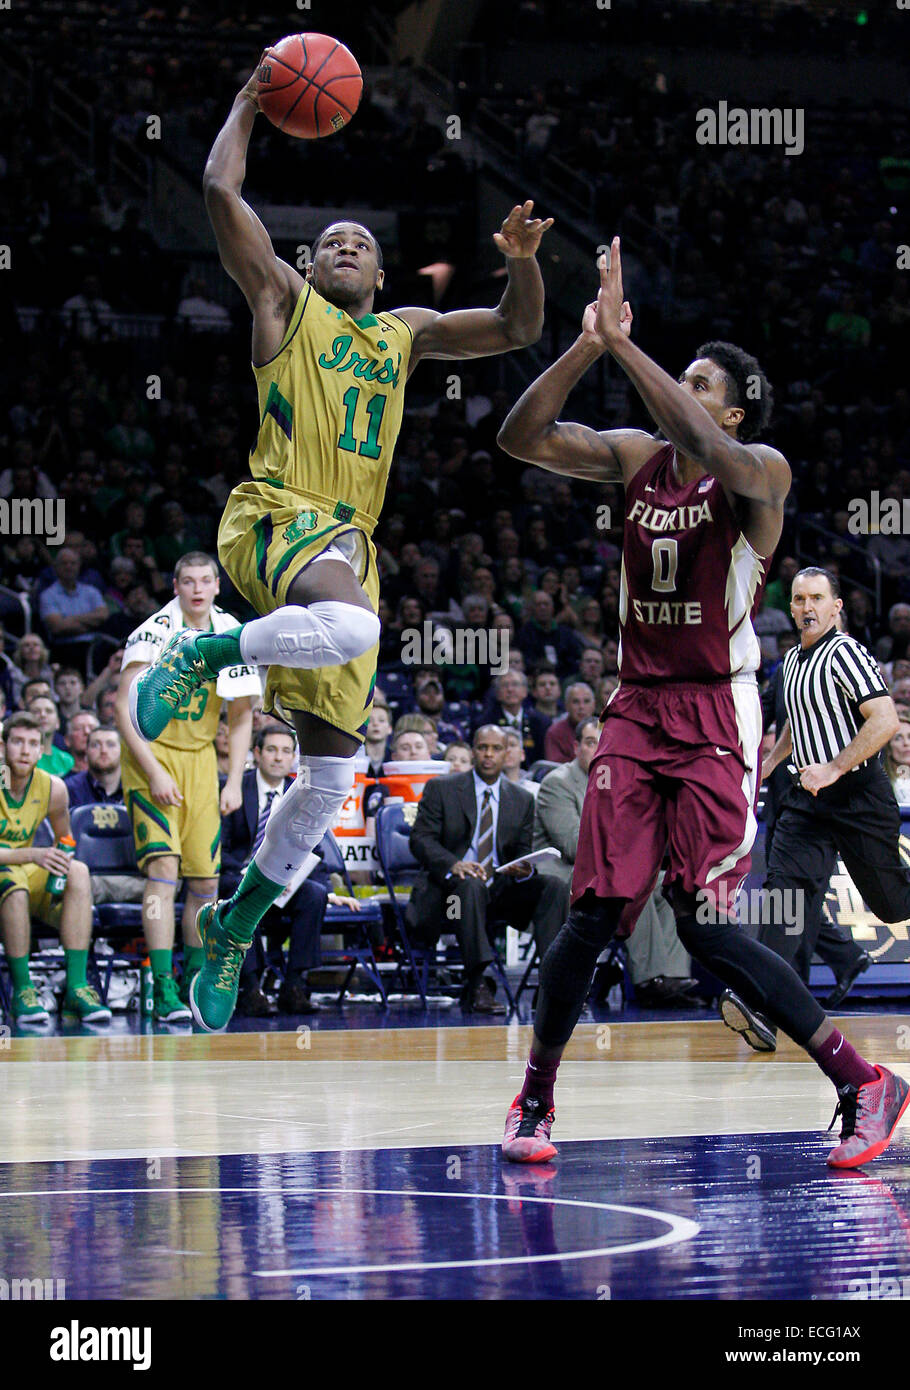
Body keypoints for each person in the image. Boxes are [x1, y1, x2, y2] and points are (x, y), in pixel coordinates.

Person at [127, 54, 553, 1034]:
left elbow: (513, 326)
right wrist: (248, 95)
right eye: (328, 241)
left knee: (327, 781)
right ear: (308, 267)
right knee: (354, 626)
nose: (346, 242)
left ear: (382, 269)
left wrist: (522, 254)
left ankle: (235, 923)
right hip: (277, 508)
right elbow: (217, 188)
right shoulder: (285, 303)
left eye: (361, 238)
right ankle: (205, 653)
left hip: (344, 541)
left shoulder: (403, 332)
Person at [495, 238, 908, 1169]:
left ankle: (863, 1081)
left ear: (733, 404)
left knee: (705, 923)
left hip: (719, 714)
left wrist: (631, 351)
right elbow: (520, 438)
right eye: (675, 376)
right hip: (640, 704)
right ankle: (535, 1099)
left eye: (696, 379)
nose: (676, 389)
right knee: (596, 909)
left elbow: (709, 444)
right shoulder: (639, 457)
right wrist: (589, 346)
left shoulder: (759, 470)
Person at [728, 568, 910, 1049]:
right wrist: (769, 763)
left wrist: (833, 766)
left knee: (893, 905)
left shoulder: (846, 653)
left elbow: (886, 720)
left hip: (857, 796)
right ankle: (761, 1005)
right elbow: (799, 724)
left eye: (817, 599)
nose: (807, 607)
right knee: (786, 896)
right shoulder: (789, 661)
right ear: (789, 607)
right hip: (806, 800)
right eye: (799, 599)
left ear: (836, 608)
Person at [115, 552, 261, 1022]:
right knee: (163, 870)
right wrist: (154, 771)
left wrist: (234, 778)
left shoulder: (231, 629)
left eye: (206, 581)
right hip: (151, 754)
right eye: (188, 581)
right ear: (175, 585)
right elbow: (123, 707)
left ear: (217, 586)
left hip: (201, 760)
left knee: (205, 878)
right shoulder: (154, 630)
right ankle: (160, 985)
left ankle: (195, 978)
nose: (197, 589)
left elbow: (242, 716)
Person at [408, 725, 565, 1014]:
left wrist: (525, 868)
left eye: (496, 748)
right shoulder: (441, 788)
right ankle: (478, 981)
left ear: (508, 753)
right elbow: (420, 839)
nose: (489, 754)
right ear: (473, 750)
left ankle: (552, 985)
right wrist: (453, 864)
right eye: (482, 748)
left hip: (500, 892)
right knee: (470, 885)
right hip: (450, 898)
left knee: (554, 886)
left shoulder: (522, 798)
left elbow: (521, 852)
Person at [0, 712, 111, 1024]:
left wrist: (59, 873)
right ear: (2, 746)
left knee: (78, 872)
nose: (25, 750)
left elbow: (65, 840)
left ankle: (76, 986)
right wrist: (34, 854)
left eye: (33, 744)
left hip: (26, 870)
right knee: (15, 887)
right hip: (9, 875)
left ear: (41, 750)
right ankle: (24, 991)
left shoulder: (53, 788)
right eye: (18, 742)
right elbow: (33, 855)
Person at [220, 726, 330, 1017]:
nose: (278, 758)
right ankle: (251, 988)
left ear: (294, 757)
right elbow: (221, 847)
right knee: (239, 891)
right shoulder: (234, 788)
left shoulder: (303, 793)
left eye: (285, 751)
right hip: (241, 877)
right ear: (256, 753)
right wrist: (254, 877)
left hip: (286, 880)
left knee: (316, 894)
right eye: (271, 750)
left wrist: (289, 876)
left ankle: (294, 985)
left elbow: (315, 849)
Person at [543, 682, 597, 763]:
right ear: (567, 706)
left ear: (594, 705)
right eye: (575, 702)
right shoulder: (555, 733)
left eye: (586, 701)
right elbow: (555, 768)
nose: (581, 707)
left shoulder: (605, 729)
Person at [29, 696, 75, 778]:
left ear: (58, 723)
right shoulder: (21, 757)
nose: (43, 715)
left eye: (49, 711)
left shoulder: (67, 760)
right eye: (36, 711)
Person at [884, 707, 910, 806]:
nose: (906, 743)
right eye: (898, 738)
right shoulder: (882, 786)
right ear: (888, 747)